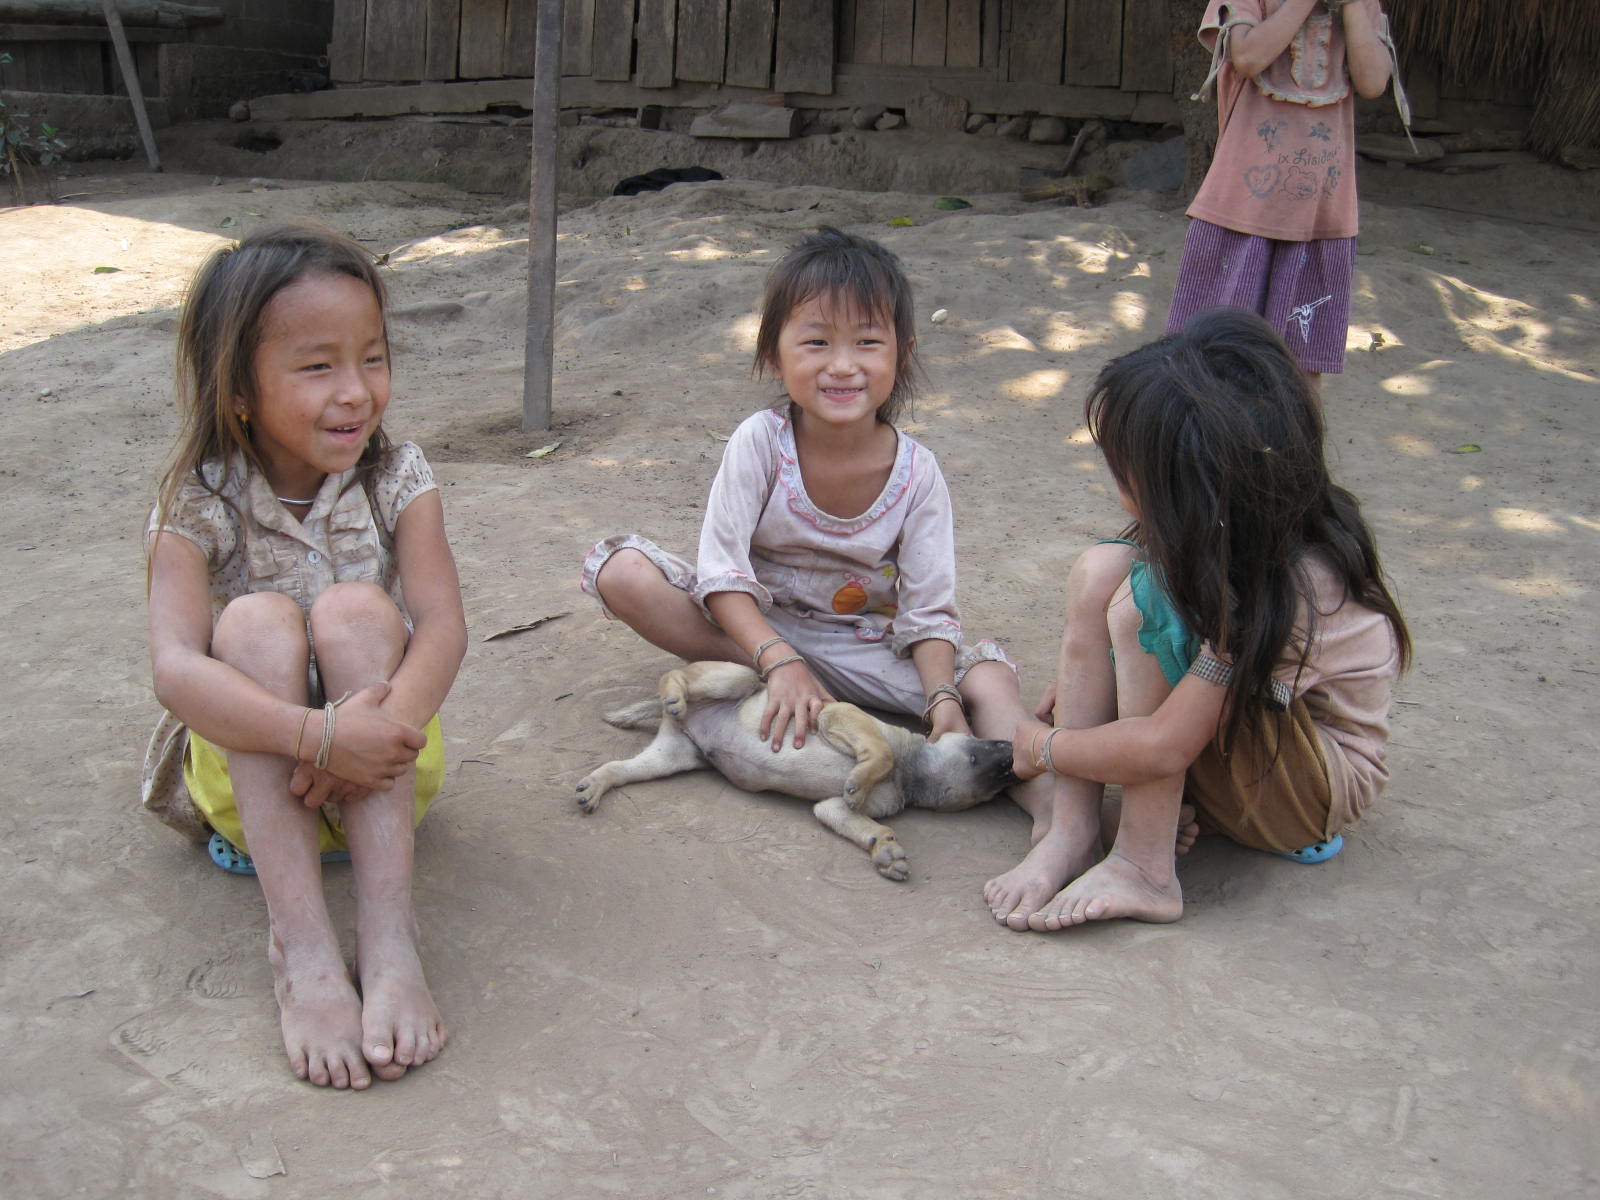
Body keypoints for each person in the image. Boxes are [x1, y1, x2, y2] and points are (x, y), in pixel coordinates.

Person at [142, 223, 468, 1088]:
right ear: (239, 388)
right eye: (318, 366)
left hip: (389, 766)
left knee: (361, 612)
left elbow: (442, 627)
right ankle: (305, 949)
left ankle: (391, 939)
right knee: (250, 625)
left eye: (372, 358)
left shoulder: (398, 478)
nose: (357, 392)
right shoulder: (199, 500)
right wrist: (313, 738)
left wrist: (376, 731)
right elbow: (174, 668)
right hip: (253, 793)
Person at [580, 227, 1043, 809]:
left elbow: (927, 612)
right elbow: (721, 574)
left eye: (869, 342)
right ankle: (791, 685)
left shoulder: (918, 475)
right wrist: (779, 660)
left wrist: (944, 702)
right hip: (748, 633)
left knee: (985, 682)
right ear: (774, 353)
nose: (843, 366)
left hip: (861, 644)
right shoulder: (760, 443)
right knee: (622, 573)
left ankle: (1049, 800)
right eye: (817, 342)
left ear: (904, 353)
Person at [984, 307, 1410, 930]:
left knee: (1147, 608)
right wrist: (1086, 700)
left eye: (1124, 468)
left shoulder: (1296, 589)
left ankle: (1144, 865)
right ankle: (1071, 831)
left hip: (1304, 792)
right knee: (1103, 568)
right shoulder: (1229, 533)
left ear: (1189, 492)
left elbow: (1164, 745)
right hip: (1232, 732)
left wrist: (1048, 747)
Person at [1167, 0, 1410, 384]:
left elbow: (1373, 82)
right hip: (1238, 212)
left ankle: (1292, 445)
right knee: (1208, 355)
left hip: (1321, 220)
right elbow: (1247, 57)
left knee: (1301, 367)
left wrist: (1350, 7)